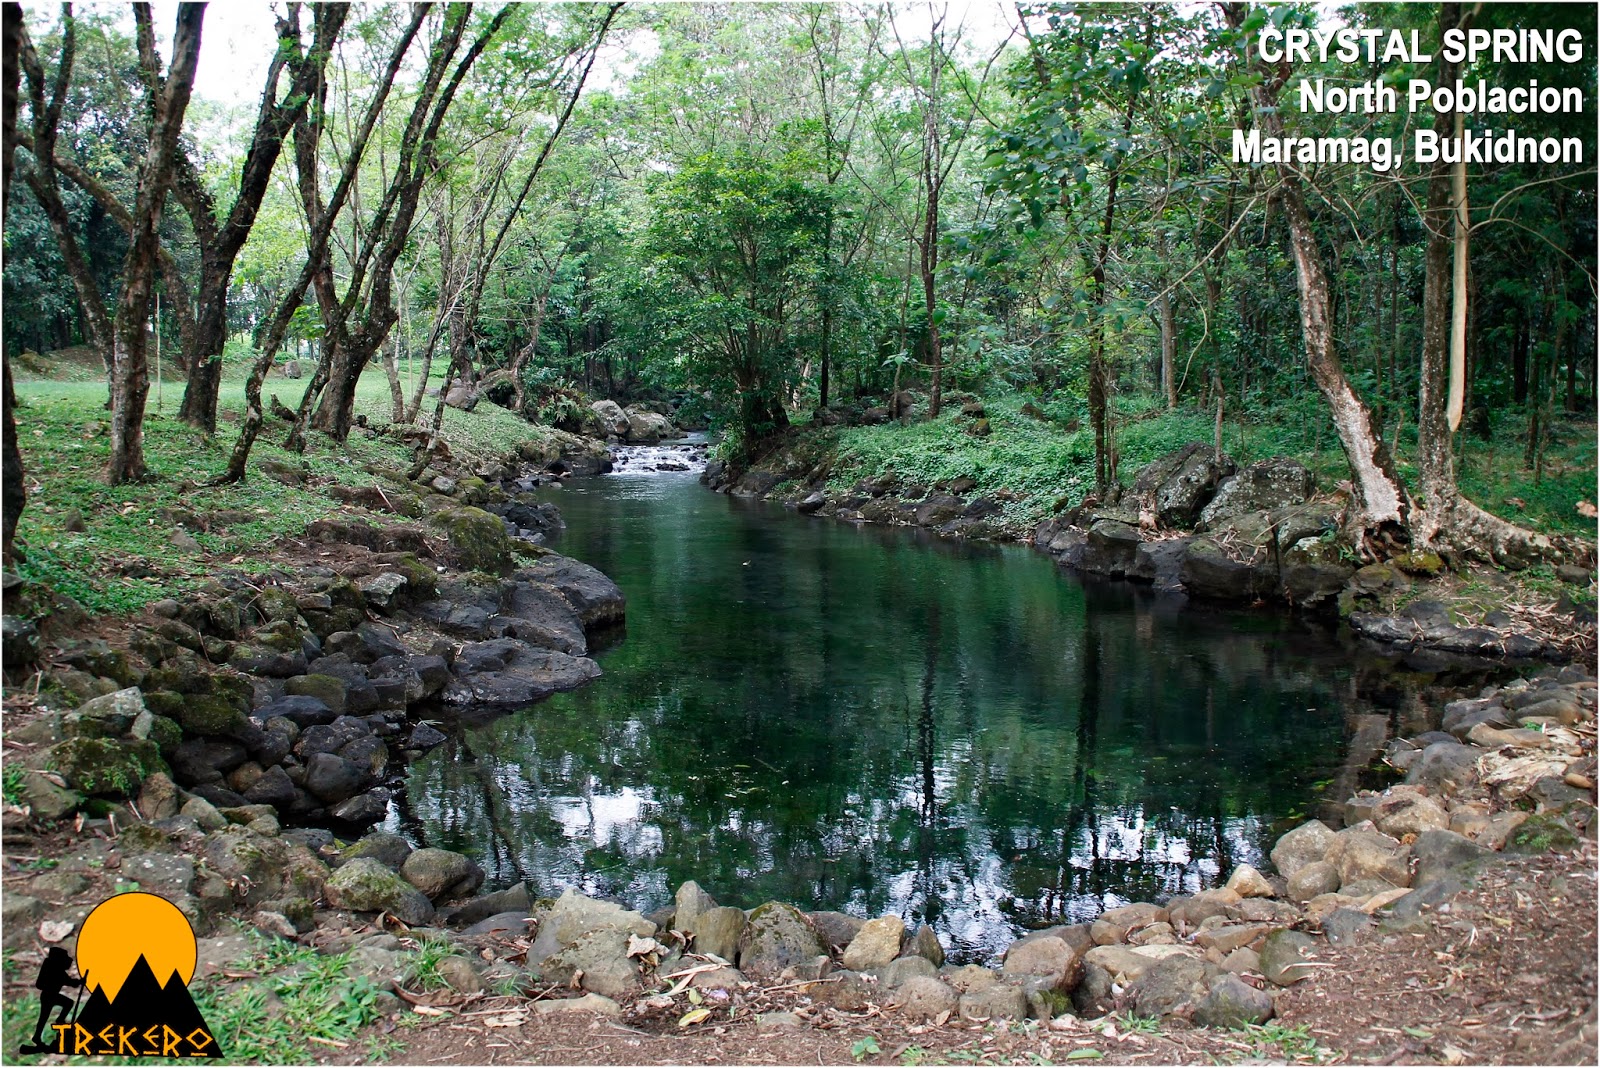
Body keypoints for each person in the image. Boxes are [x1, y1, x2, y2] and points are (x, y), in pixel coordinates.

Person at [21, 947, 82, 1054]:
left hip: (50, 995)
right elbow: (40, 984)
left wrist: (80, 981)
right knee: (45, 1016)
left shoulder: (57, 970)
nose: (68, 960)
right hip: (48, 996)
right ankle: (56, 1023)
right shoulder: (54, 969)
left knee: (62, 1006)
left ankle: (40, 1035)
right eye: (64, 957)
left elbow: (72, 983)